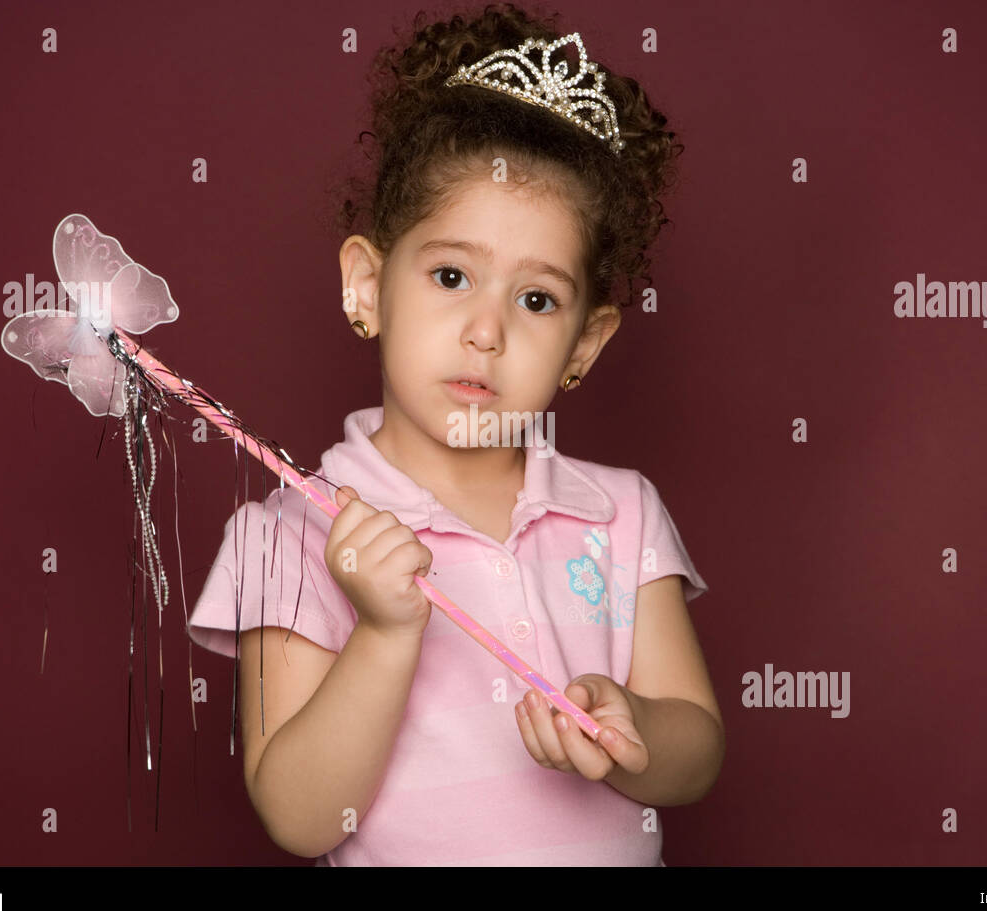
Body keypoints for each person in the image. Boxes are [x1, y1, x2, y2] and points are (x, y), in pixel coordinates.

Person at [187, 3, 724, 866]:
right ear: (367, 286)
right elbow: (298, 816)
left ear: (585, 342)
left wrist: (638, 732)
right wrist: (385, 633)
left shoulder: (621, 515)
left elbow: (696, 750)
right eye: (450, 275)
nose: (487, 331)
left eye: (537, 299)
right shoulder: (287, 538)